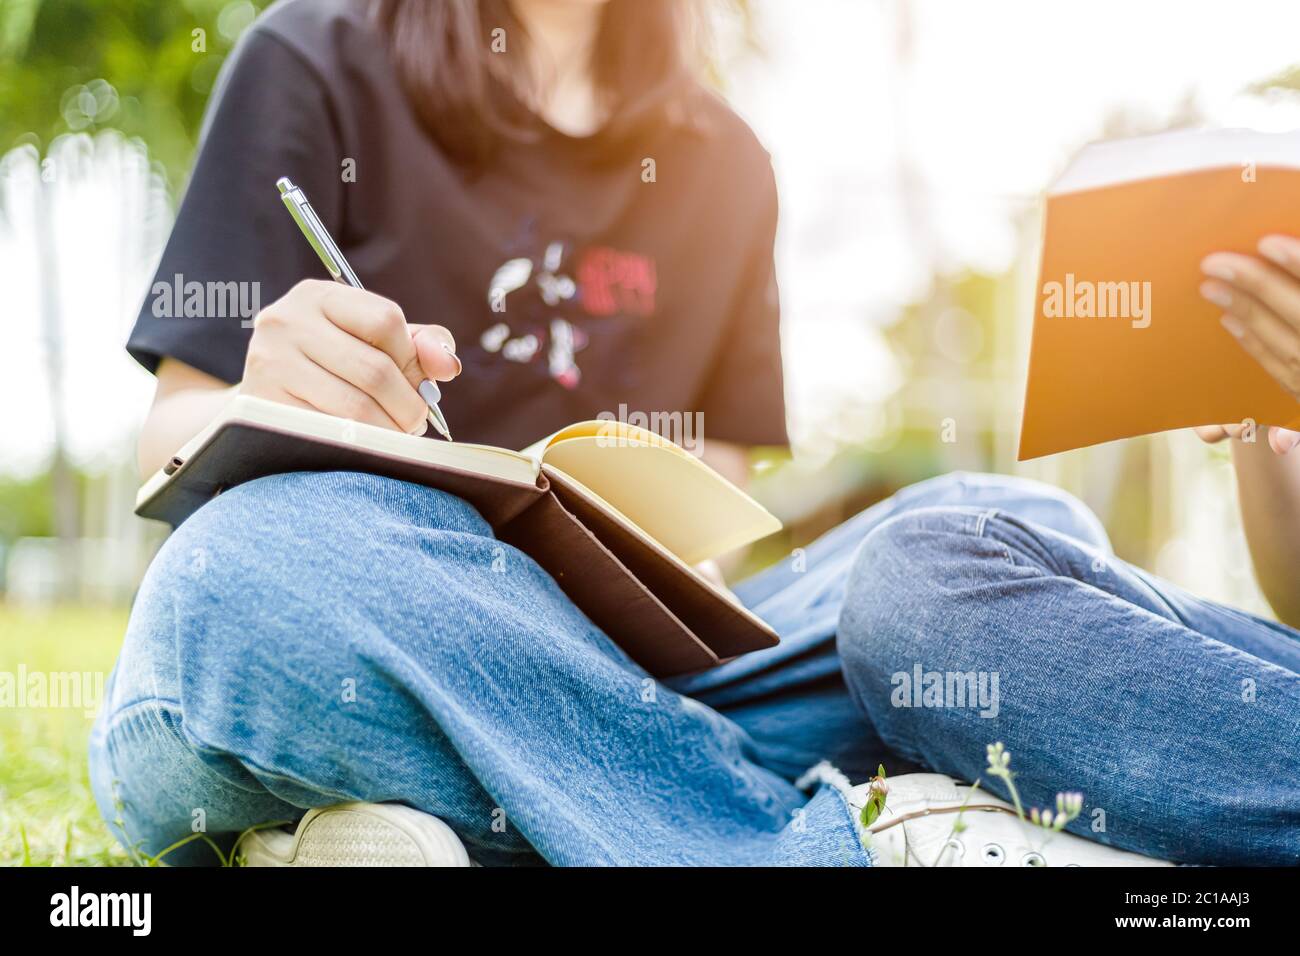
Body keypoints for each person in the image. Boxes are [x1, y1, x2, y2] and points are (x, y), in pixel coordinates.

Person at [90, 0, 1299, 867]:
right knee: (240, 575)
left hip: (641, 680)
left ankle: (474, 825)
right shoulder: (311, 58)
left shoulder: (721, 160)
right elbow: (175, 434)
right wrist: (267, 389)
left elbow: (708, 544)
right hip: (373, 602)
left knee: (1013, 524)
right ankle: (821, 831)